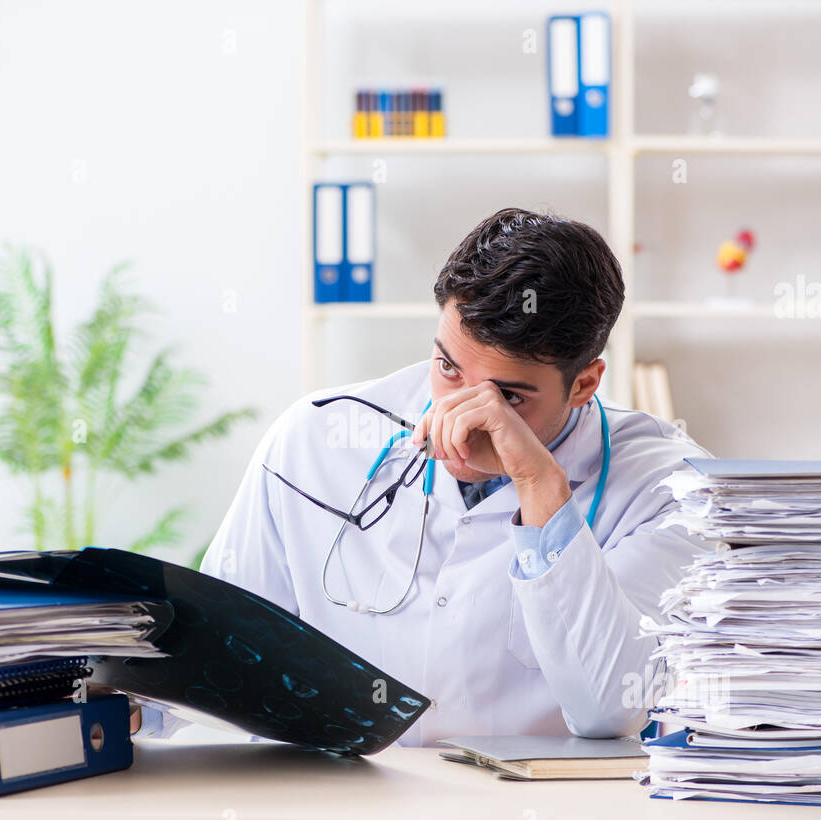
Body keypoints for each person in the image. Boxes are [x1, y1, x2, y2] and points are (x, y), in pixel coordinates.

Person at [133, 207, 711, 746]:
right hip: (343, 818)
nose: (462, 417)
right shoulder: (314, 440)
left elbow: (611, 708)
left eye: (508, 396)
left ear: (584, 383)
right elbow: (222, 648)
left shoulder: (672, 489)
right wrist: (107, 686)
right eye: (448, 367)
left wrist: (541, 490)